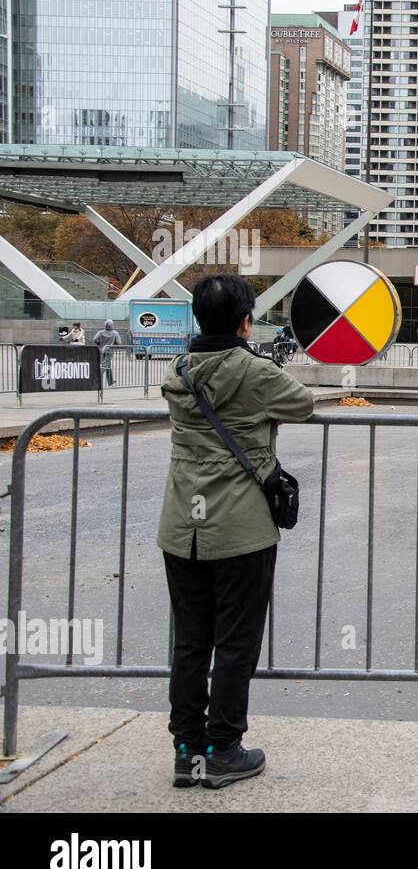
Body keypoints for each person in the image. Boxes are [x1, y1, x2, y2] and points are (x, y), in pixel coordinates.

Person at [157, 274, 314, 790]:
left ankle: (187, 750)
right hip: (241, 529)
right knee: (235, 642)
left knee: (190, 641)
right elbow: (302, 403)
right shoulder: (253, 371)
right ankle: (224, 748)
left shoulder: (179, 371)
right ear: (246, 321)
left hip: (183, 527)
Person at [92, 320, 121, 385]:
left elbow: (94, 339)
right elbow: (119, 342)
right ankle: (96, 379)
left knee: (107, 365)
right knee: (105, 365)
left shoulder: (100, 332)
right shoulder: (115, 333)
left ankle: (110, 381)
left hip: (101, 350)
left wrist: (98, 344)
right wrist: (114, 345)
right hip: (109, 351)